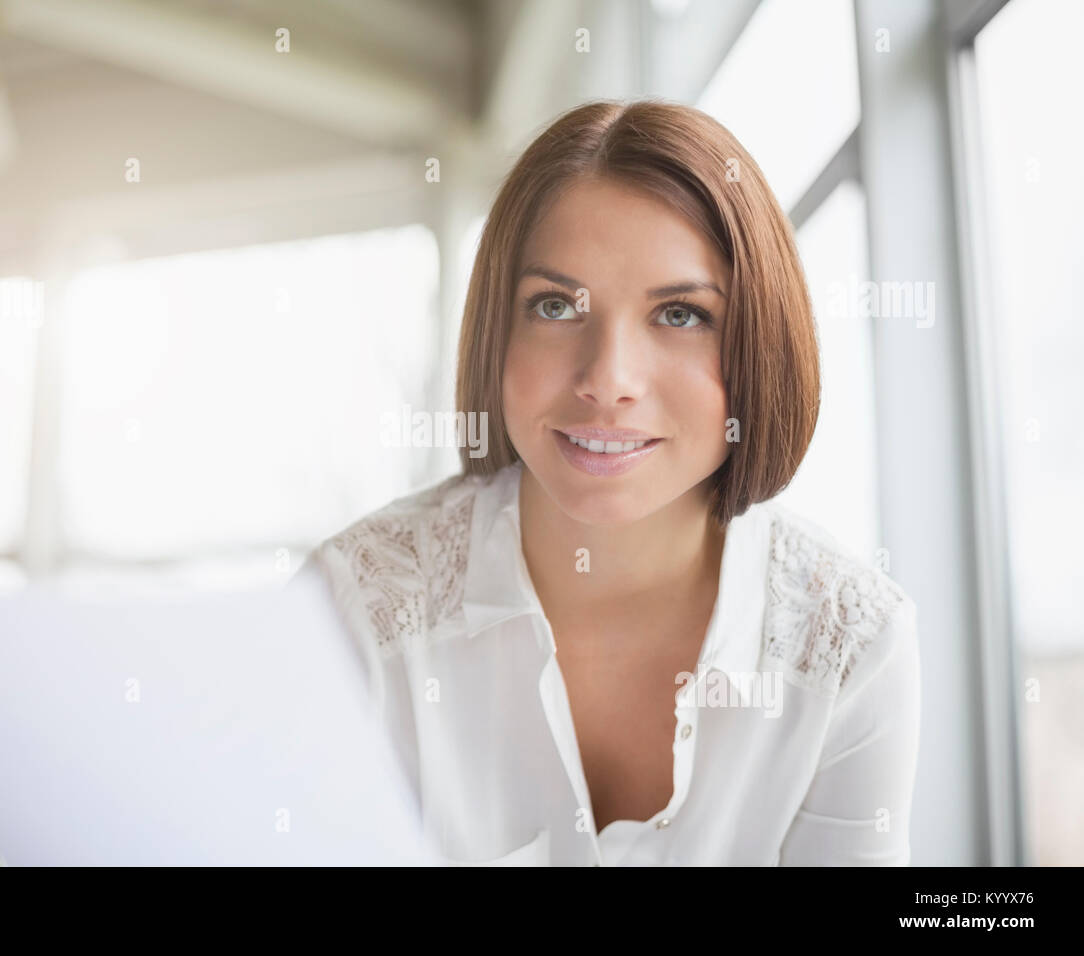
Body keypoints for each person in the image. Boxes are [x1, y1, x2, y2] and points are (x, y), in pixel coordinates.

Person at [298, 99, 921, 866]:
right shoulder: (349, 609)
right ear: (498, 329)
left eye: (682, 314)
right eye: (556, 306)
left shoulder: (850, 648)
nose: (608, 379)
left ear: (760, 342)